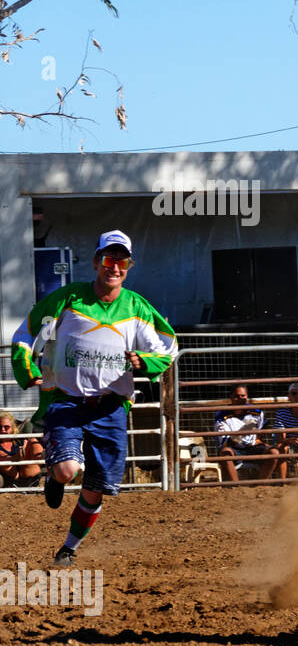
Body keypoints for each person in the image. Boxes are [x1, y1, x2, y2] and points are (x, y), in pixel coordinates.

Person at [9, 230, 178, 566]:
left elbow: (168, 347)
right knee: (69, 469)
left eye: (121, 261)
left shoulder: (137, 307)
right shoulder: (68, 298)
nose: (114, 267)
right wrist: (24, 366)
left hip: (111, 406)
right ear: (96, 261)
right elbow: (26, 331)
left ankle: (68, 548)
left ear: (128, 266)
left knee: (97, 487)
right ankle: (55, 475)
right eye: (108, 259)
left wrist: (145, 361)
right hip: (66, 400)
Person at [213, 385, 281, 483]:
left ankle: (260, 484)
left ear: (247, 397)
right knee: (225, 453)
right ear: (231, 397)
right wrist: (248, 429)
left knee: (274, 452)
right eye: (237, 396)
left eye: (243, 396)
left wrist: (258, 440)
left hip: (253, 447)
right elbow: (227, 440)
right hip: (234, 448)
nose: (240, 399)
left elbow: (263, 427)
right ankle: (236, 487)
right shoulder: (221, 414)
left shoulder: (256, 411)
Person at [0, 410, 43, 487]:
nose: (3, 430)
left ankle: (42, 456)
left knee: (32, 440)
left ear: (13, 428)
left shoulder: (21, 440)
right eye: (0, 427)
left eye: (6, 427)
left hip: (28, 475)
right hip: (10, 477)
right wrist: (17, 458)